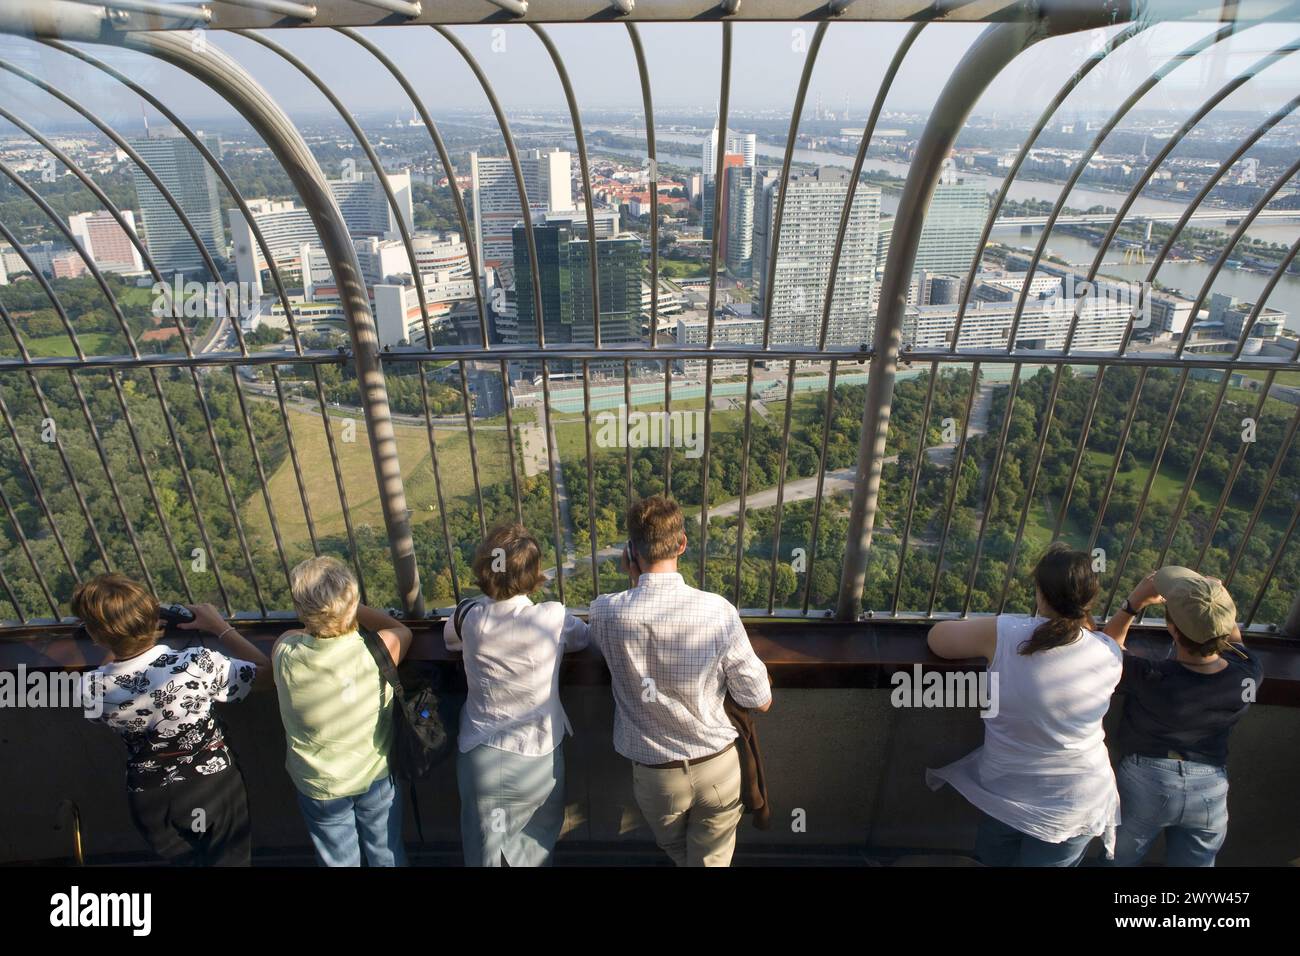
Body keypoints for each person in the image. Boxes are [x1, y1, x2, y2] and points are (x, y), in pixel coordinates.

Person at [588, 495, 772, 867]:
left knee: (674, 849)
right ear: (682, 543)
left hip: (657, 777)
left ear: (630, 550)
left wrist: (634, 581)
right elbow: (759, 698)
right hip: (717, 766)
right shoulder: (718, 611)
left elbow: (621, 625)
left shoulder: (604, 612)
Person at [925, 544, 1123, 866]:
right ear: (1089, 601)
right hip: (1077, 800)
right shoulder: (1108, 654)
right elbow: (1098, 643)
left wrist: (1006, 622)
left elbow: (938, 638)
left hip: (1006, 793)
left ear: (1040, 592)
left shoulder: (1006, 633)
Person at [75, 573, 268, 866]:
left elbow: (111, 681)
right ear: (155, 617)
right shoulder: (197, 663)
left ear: (96, 635)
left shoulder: (90, 687)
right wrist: (220, 626)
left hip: (148, 799)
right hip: (212, 787)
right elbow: (266, 673)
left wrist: (120, 643)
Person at [443, 522, 589, 866]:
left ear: (484, 570)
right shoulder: (550, 617)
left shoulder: (469, 616)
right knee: (538, 849)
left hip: (482, 756)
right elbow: (582, 639)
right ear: (534, 572)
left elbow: (449, 639)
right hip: (540, 755)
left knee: (485, 855)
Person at [1103, 566, 1262, 867]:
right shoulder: (1247, 675)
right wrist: (1217, 602)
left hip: (1147, 781)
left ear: (1173, 630)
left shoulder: (1149, 674)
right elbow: (1237, 644)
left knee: (1118, 861)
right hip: (1210, 789)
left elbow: (1107, 648)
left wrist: (1133, 602)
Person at [273, 556, 412, 867]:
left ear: (301, 610)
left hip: (319, 785)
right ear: (353, 600)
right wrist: (349, 607)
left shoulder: (284, 651)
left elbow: (295, 634)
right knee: (386, 852)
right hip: (374, 774)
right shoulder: (380, 648)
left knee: (337, 860)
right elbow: (400, 629)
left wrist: (326, 612)